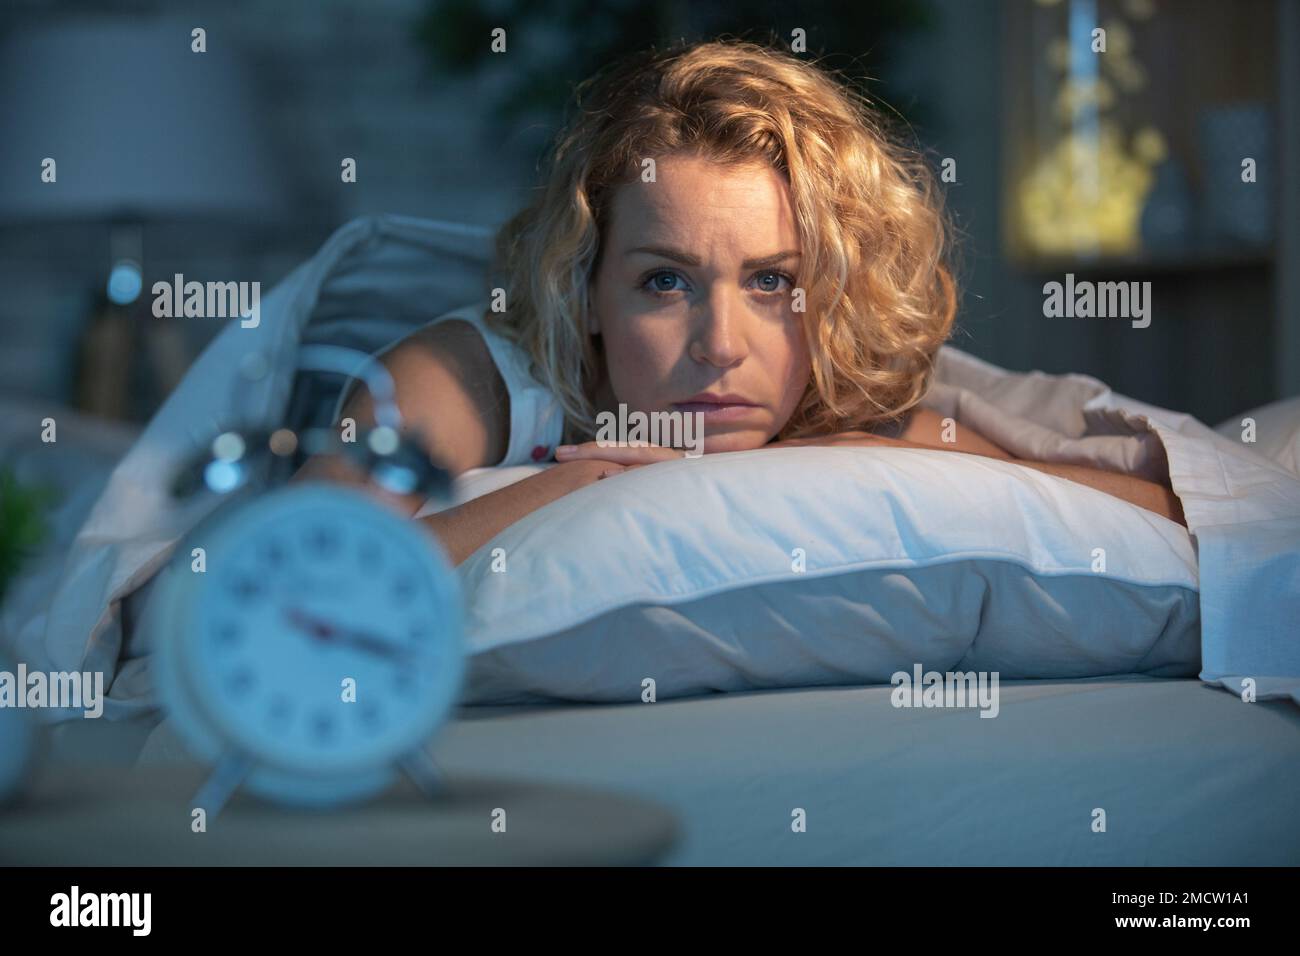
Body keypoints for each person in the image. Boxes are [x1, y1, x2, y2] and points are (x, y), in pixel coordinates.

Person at [298, 39, 1184, 565]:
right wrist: (581, 483)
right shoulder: (466, 381)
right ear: (588, 290)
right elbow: (293, 572)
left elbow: (1168, 515)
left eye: (773, 282)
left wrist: (837, 463)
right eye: (665, 282)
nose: (721, 345)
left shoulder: (829, 409)